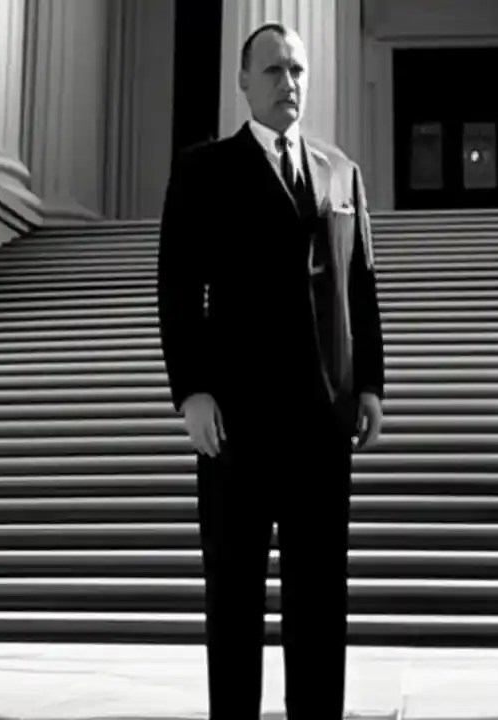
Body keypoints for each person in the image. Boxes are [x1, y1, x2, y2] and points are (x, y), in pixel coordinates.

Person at [155, 22, 385, 719]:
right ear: (244, 82)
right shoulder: (203, 169)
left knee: (320, 596)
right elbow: (178, 287)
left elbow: (361, 286)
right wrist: (192, 390)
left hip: (322, 422)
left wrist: (370, 385)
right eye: (275, 70)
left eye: (298, 70)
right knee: (234, 595)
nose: (289, 83)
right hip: (237, 421)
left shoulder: (341, 172)